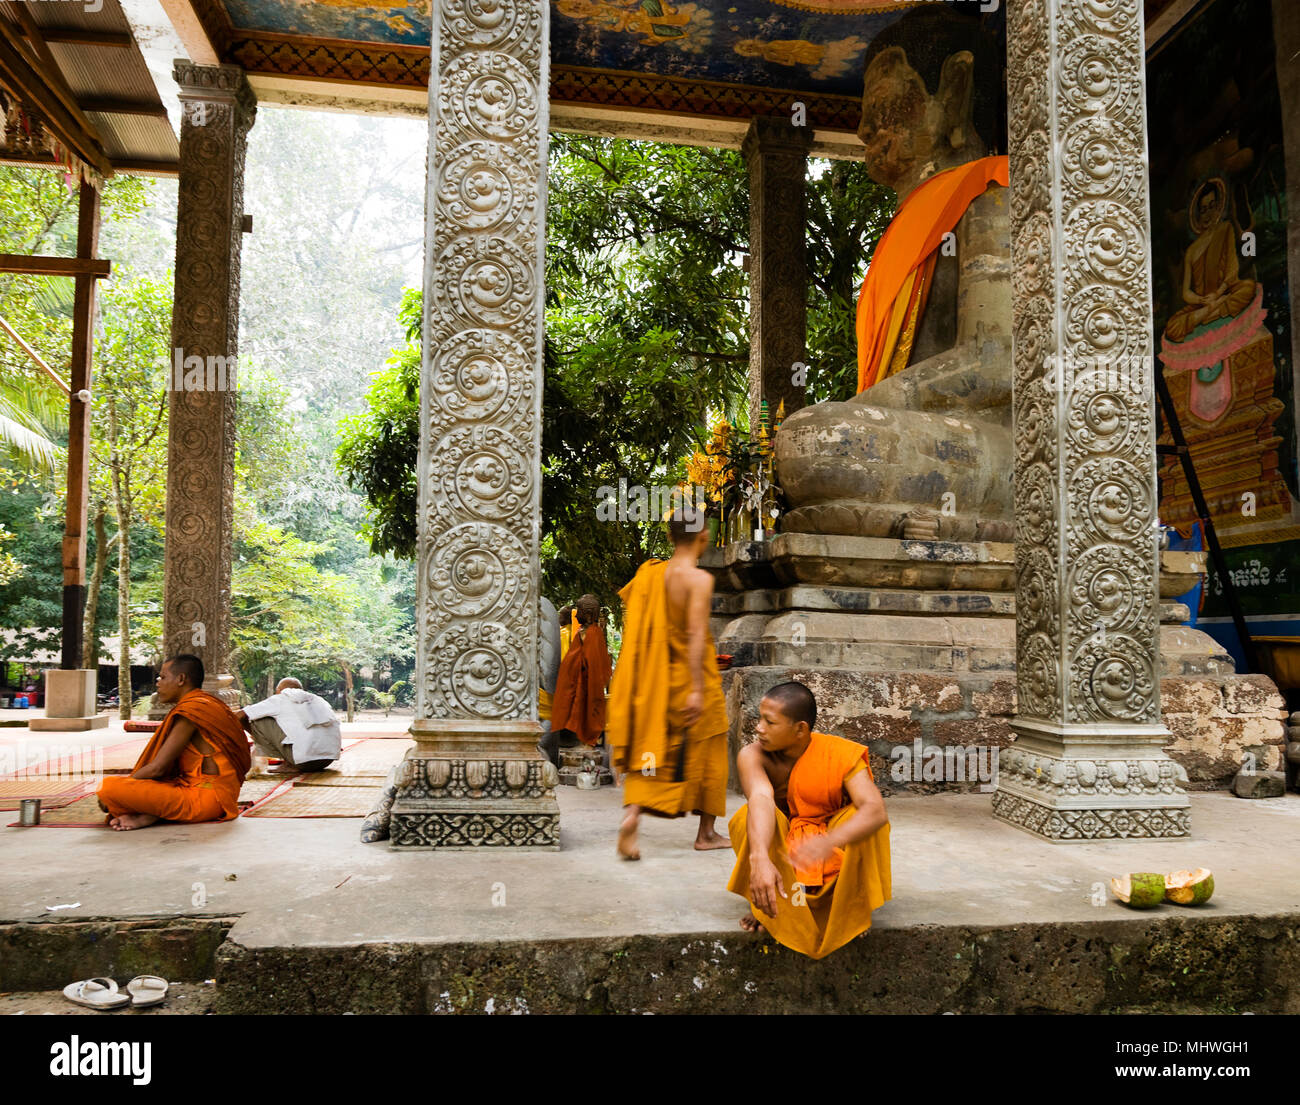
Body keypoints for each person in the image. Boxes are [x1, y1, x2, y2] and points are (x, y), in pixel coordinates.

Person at [727, 681, 891, 960]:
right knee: (747, 817)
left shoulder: (838, 754)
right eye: (759, 719)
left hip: (828, 836)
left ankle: (851, 909)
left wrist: (829, 842)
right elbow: (761, 798)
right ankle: (768, 906)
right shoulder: (752, 755)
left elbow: (875, 809)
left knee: (866, 823)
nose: (759, 728)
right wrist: (759, 859)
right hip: (783, 840)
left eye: (770, 722)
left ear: (800, 729)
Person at [607, 506, 730, 859]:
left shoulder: (650, 574)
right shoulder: (698, 580)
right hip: (693, 679)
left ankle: (633, 815)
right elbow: (694, 635)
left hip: (655, 682)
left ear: (670, 537)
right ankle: (706, 833)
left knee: (654, 750)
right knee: (711, 748)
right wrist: (695, 688)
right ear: (703, 536)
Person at [97, 654, 250, 831]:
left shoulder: (192, 712)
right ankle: (149, 815)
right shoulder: (210, 703)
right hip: (221, 795)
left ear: (181, 679)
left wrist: (126, 787)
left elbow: (158, 768)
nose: (158, 682)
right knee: (143, 787)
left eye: (163, 677)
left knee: (108, 789)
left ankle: (149, 813)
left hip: (206, 799)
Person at [236, 677, 341, 775]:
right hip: (327, 760)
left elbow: (239, 716)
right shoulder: (318, 700)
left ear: (279, 690)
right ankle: (291, 759)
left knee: (256, 719)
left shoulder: (280, 698)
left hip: (303, 763)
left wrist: (254, 737)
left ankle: (288, 764)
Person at [551, 593, 612, 748]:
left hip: (585, 688)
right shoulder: (583, 632)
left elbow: (594, 666)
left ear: (589, 614)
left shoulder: (592, 634)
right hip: (575, 685)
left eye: (579, 611)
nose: (576, 614)